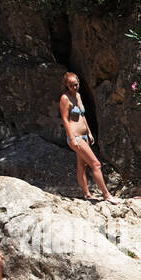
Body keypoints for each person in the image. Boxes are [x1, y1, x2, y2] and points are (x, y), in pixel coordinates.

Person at [59, 72, 117, 204]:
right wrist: (71, 138)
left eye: (76, 84)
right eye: (71, 85)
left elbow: (82, 116)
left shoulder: (78, 96)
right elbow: (65, 119)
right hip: (75, 137)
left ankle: (86, 194)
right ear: (66, 85)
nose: (75, 87)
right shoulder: (65, 98)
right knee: (96, 164)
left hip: (84, 136)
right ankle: (107, 195)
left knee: (82, 166)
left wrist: (89, 133)